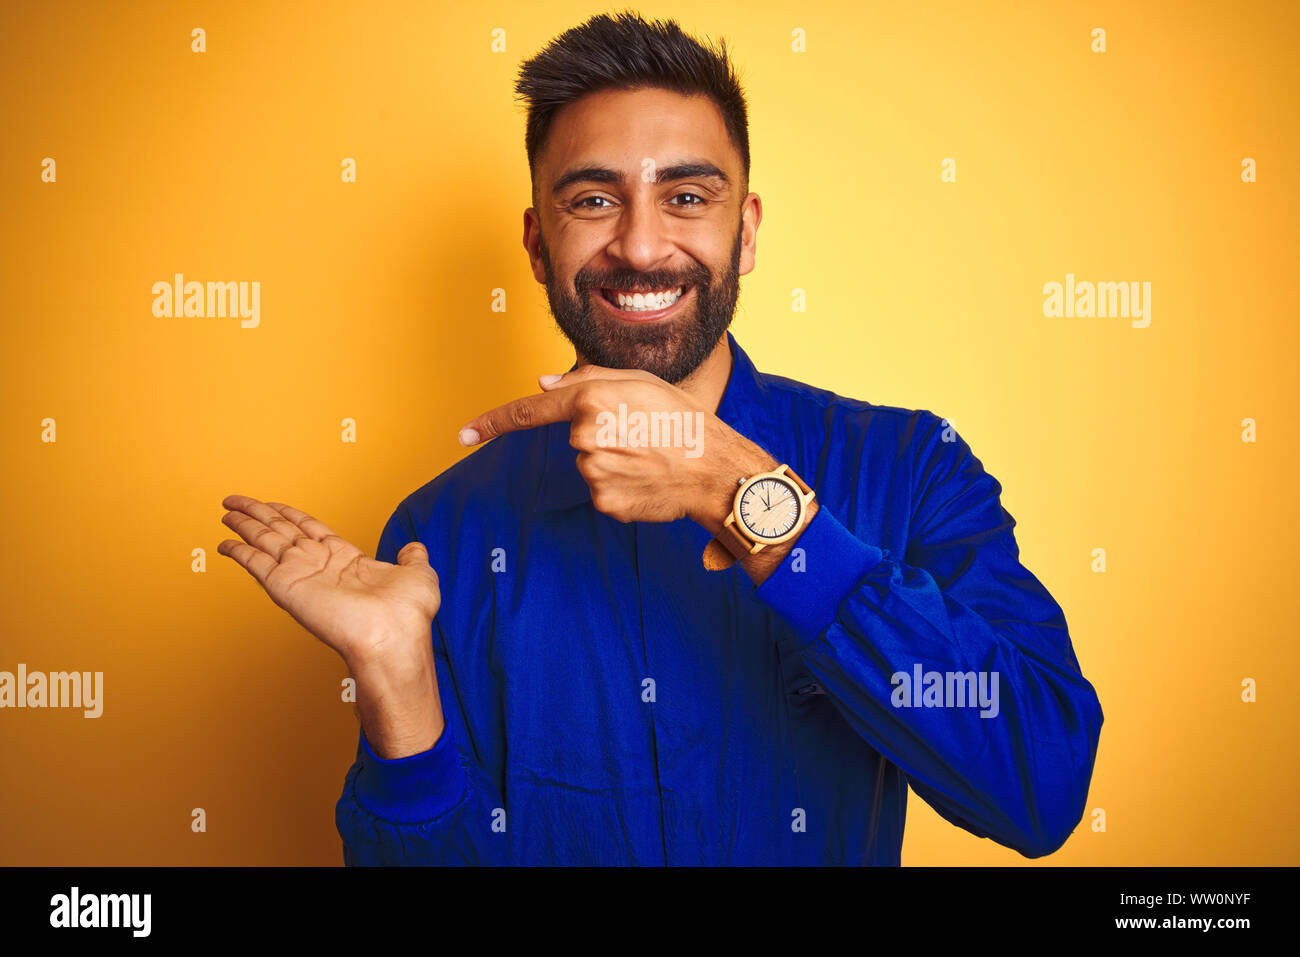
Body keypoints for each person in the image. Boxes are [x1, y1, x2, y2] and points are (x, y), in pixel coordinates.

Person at [218, 11, 1102, 866]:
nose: (641, 245)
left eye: (686, 196)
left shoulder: (911, 471)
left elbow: (1042, 783)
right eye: (595, 198)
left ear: (745, 231)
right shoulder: (439, 537)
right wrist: (395, 686)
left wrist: (752, 503)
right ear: (537, 243)